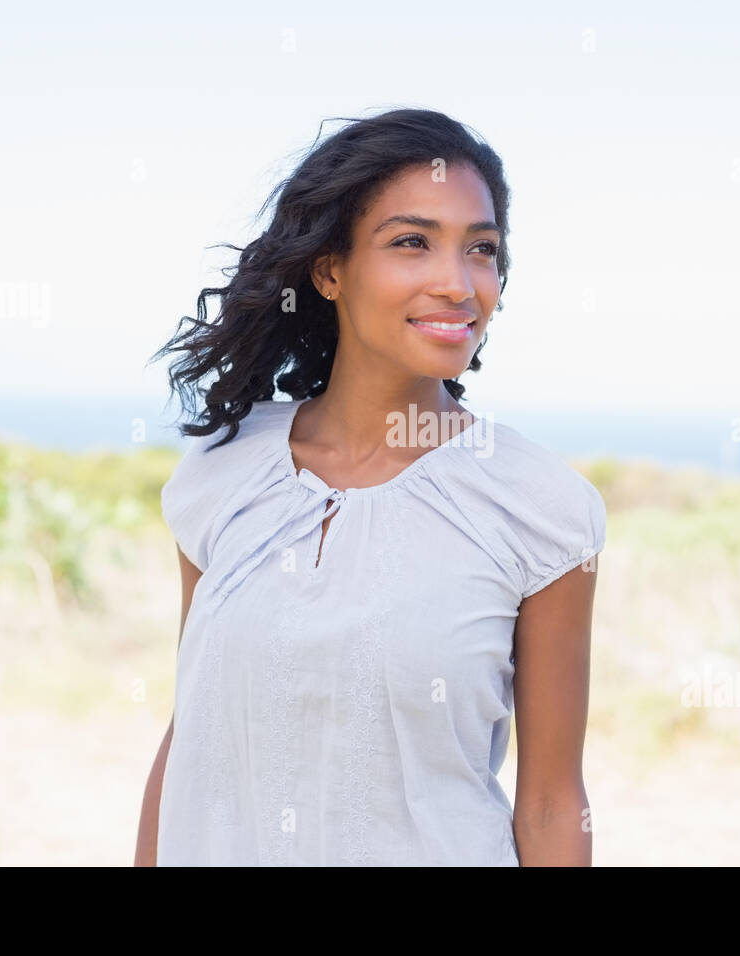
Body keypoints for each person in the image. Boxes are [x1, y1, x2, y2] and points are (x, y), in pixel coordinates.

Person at [135, 107, 605, 866]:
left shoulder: (540, 510)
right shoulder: (224, 477)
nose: (457, 284)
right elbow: (193, 733)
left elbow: (551, 802)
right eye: (412, 242)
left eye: (481, 249)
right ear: (329, 270)